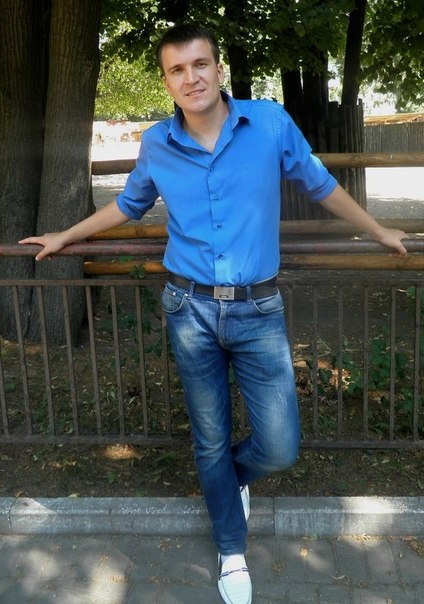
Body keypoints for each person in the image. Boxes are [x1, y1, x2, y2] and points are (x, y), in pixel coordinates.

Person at [20, 23, 407, 604]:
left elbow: (320, 184)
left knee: (279, 446)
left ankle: (228, 482)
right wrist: (64, 235)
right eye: (177, 70)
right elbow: (129, 204)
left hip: (258, 309)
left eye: (200, 64)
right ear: (167, 82)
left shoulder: (268, 123)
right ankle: (231, 549)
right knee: (209, 439)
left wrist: (377, 231)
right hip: (189, 309)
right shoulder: (157, 142)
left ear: (218, 69)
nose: (191, 77)